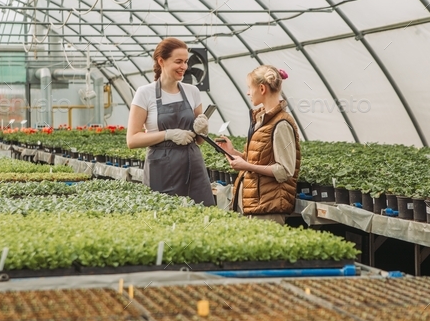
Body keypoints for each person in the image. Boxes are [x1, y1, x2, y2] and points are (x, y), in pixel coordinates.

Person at [127, 38, 216, 206]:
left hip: (192, 165)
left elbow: (199, 140)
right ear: (161, 61)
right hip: (161, 168)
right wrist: (168, 135)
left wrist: (203, 129)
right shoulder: (145, 93)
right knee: (163, 215)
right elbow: (132, 140)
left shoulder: (192, 92)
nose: (184, 67)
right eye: (178, 61)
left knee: (202, 215)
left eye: (186, 62)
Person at [215, 65, 300, 224]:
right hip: (254, 205)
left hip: (267, 208)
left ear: (262, 88)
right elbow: (260, 160)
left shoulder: (281, 123)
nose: (248, 93)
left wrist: (246, 166)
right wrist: (233, 152)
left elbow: (284, 170)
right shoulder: (262, 120)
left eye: (249, 88)